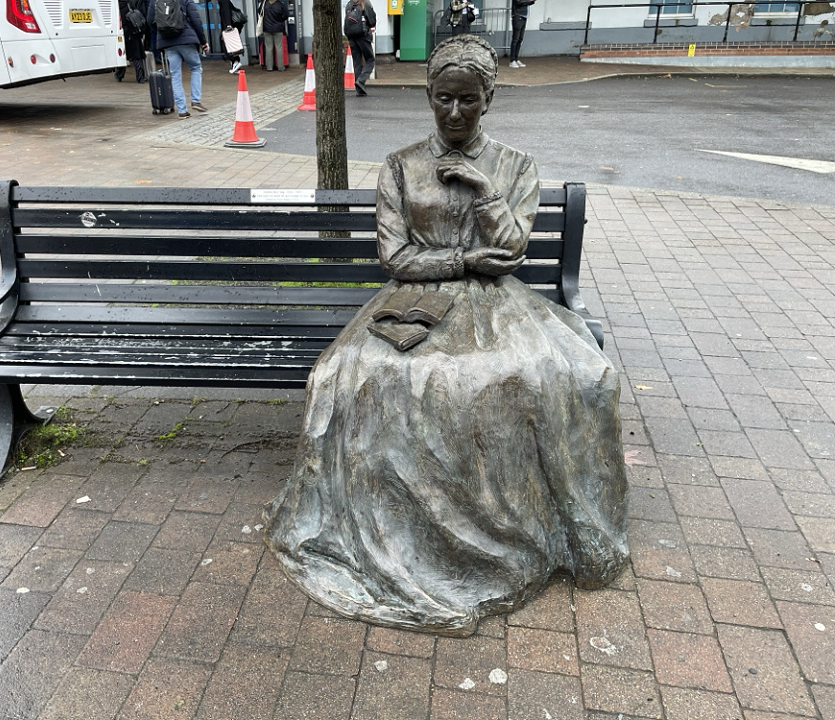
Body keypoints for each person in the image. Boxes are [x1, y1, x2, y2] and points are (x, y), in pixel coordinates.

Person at [265, 34, 628, 637]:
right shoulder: (401, 165)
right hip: (414, 301)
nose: (454, 113)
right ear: (428, 97)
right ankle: (398, 530)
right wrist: (463, 262)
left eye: (468, 101)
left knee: (539, 378)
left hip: (499, 305)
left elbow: (509, 253)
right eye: (442, 100)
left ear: (489, 98)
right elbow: (395, 257)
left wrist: (483, 189)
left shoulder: (515, 167)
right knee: (355, 375)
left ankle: (503, 530)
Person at [147, 0, 209, 118]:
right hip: (186, 39)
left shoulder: (154, 1)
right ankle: (195, 100)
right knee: (195, 68)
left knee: (175, 75)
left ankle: (182, 110)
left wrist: (163, 32)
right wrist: (203, 41)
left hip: (168, 42)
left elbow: (150, 21)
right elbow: (196, 21)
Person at [343, 0, 376, 96]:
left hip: (351, 36)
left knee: (357, 62)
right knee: (370, 60)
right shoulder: (365, 3)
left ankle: (359, 91)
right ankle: (360, 81)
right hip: (363, 36)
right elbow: (372, 21)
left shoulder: (349, 4)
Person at [115, 0, 148, 83]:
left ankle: (119, 74)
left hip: (123, 31)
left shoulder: (116, 4)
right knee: (137, 54)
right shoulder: (131, 2)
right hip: (134, 30)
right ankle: (140, 77)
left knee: (122, 53)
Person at [218, 0, 247, 74]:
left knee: (227, 45)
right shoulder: (225, 2)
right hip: (231, 25)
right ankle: (236, 64)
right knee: (232, 45)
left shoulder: (224, 2)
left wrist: (228, 25)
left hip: (228, 26)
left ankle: (235, 62)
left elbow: (227, 12)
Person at [260, 0, 289, 71]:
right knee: (279, 48)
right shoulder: (280, 5)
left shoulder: (264, 4)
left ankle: (269, 67)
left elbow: (260, 13)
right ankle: (280, 67)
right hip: (278, 28)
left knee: (268, 48)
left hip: (267, 29)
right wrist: (279, 20)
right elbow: (286, 15)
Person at [510, 0, 535, 68]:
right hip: (518, 16)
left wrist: (531, 2)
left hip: (523, 16)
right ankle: (512, 60)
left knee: (520, 39)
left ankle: (516, 58)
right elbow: (518, 2)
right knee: (515, 39)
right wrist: (529, 1)